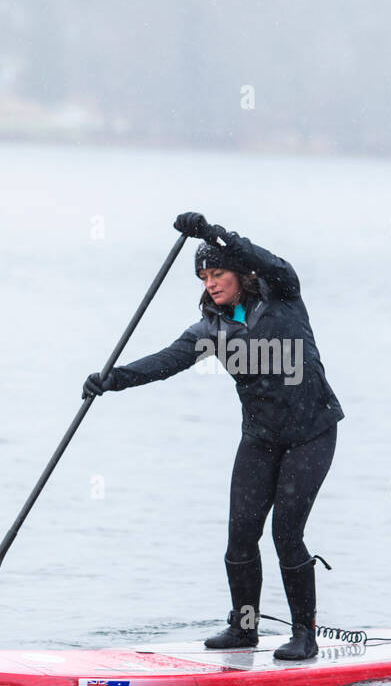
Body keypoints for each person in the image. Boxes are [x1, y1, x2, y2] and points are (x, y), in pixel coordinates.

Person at [82, 212, 344, 660]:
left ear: (242, 273)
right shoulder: (212, 330)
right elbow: (165, 362)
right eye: (203, 276)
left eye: (217, 272)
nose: (210, 283)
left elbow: (266, 259)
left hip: (311, 433)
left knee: (286, 534)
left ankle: (304, 634)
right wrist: (112, 380)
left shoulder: (284, 294)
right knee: (240, 537)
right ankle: (245, 630)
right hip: (260, 438)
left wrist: (214, 234)